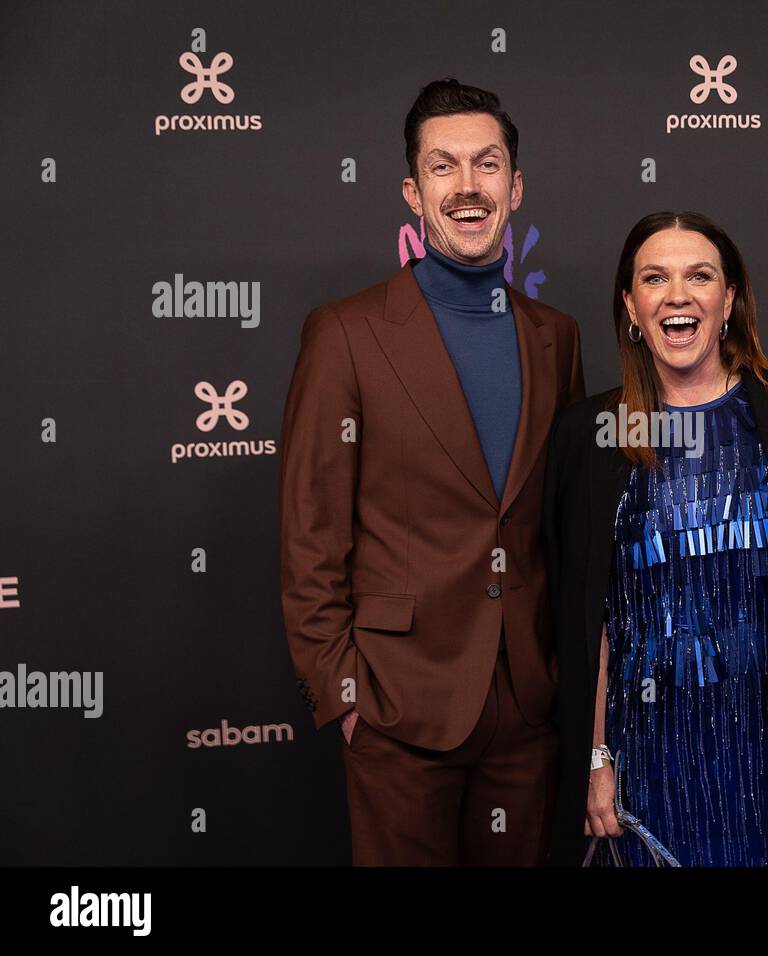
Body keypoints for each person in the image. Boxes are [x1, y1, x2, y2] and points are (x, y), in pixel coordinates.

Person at [279, 78, 584, 865]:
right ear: (413, 192)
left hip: (527, 709)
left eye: (487, 165)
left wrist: (558, 678)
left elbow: (563, 520)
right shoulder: (344, 334)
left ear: (515, 187)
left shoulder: (557, 337)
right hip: (397, 708)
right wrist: (346, 696)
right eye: (443, 167)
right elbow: (310, 536)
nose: (468, 186)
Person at [543, 211, 768, 867]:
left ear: (729, 299)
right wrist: (597, 757)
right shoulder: (587, 436)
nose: (677, 295)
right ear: (631, 306)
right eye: (655, 278)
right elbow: (589, 618)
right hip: (652, 776)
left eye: (700, 276)